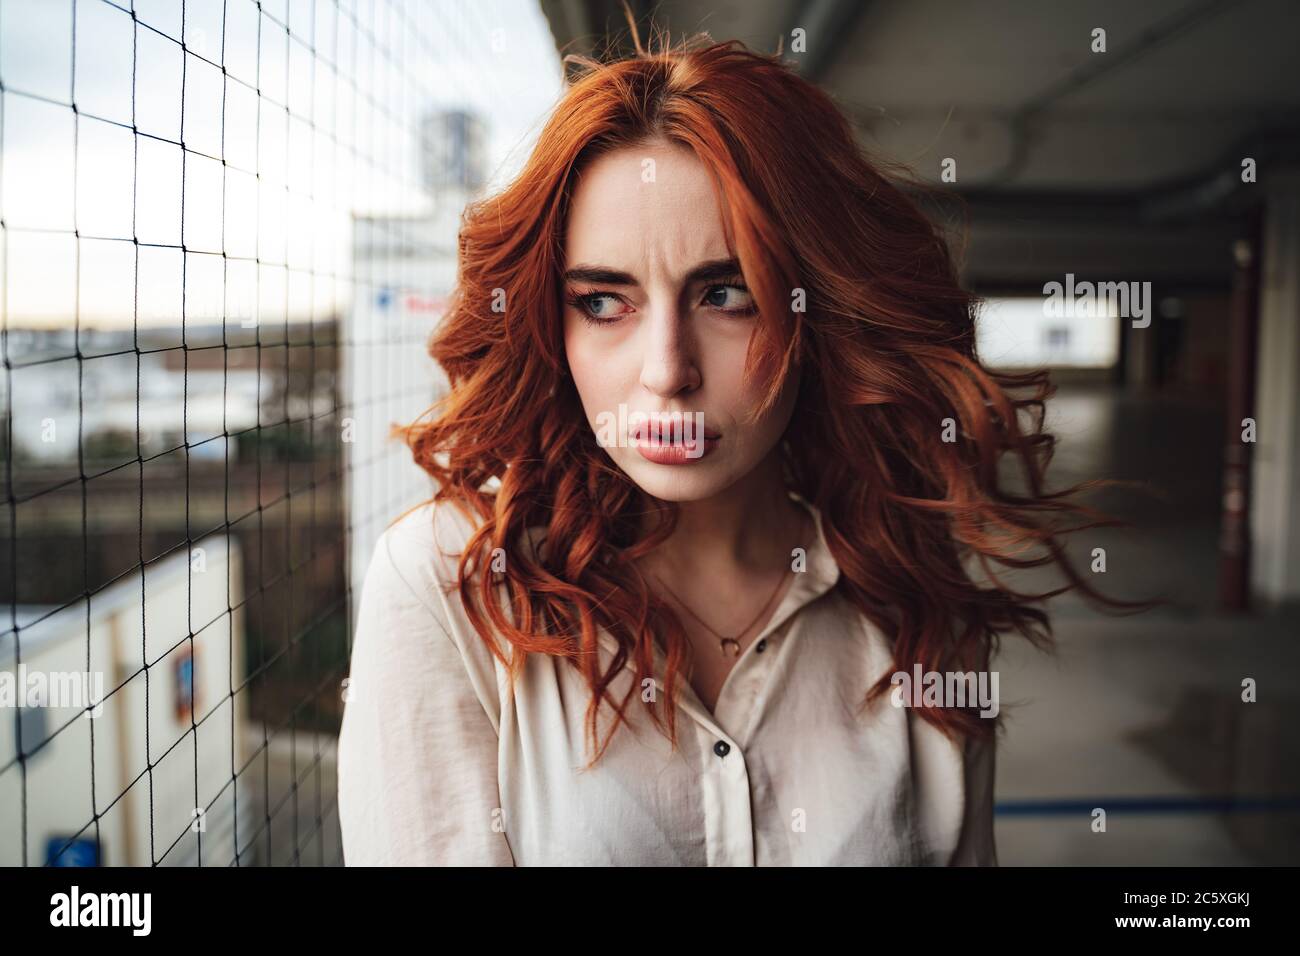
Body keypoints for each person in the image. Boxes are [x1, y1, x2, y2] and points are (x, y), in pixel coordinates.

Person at [336, 23, 1124, 866]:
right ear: (549, 322)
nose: (667, 371)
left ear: (817, 308)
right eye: (604, 302)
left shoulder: (914, 605)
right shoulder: (450, 587)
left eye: (726, 294)